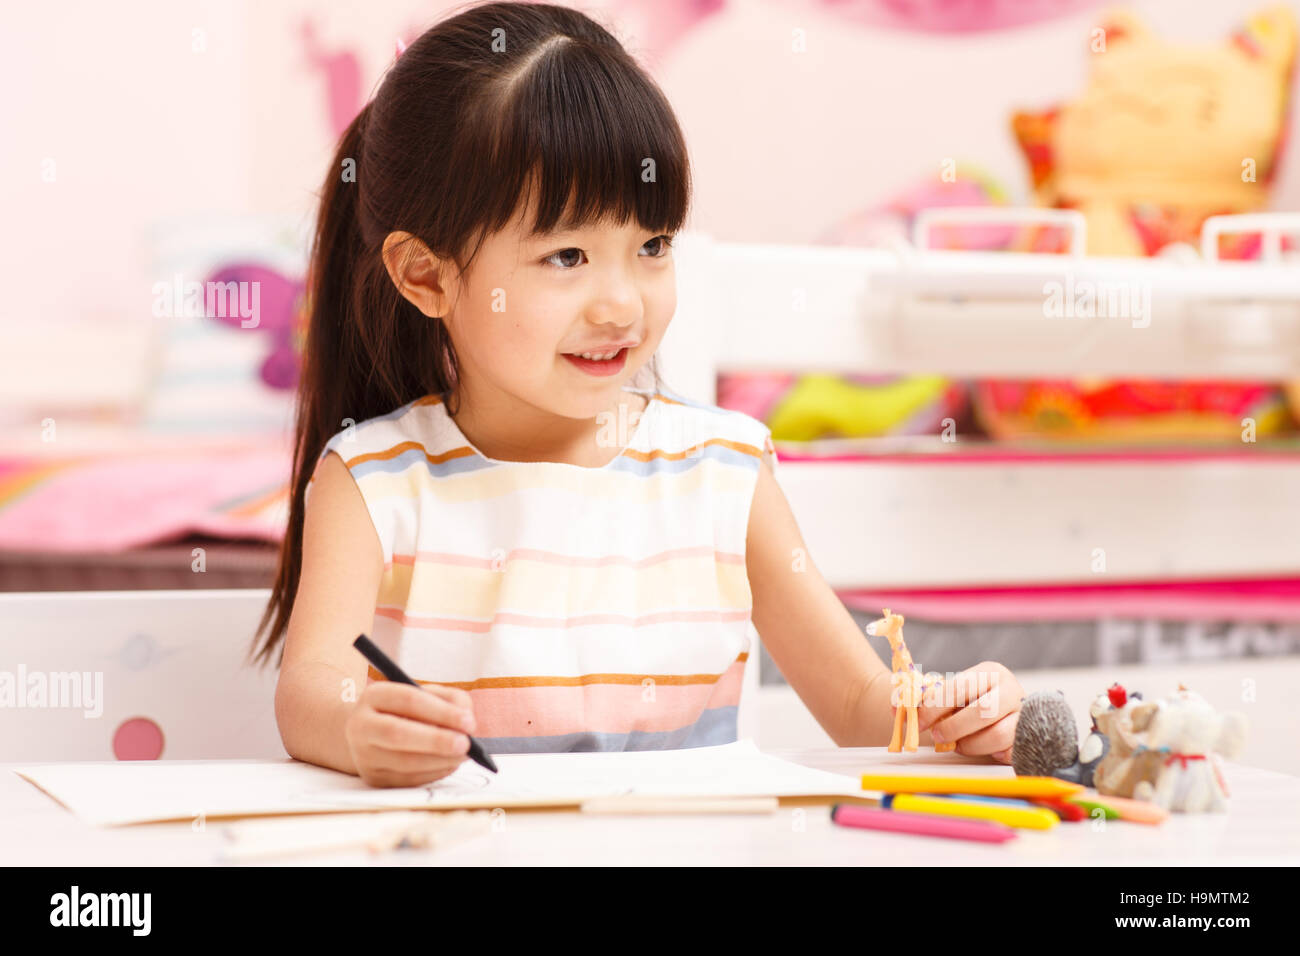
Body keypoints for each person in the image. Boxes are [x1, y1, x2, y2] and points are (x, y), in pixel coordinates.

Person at [254, 1, 1023, 786]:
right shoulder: (374, 480)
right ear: (426, 275)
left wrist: (947, 716)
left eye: (652, 245)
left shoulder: (725, 471)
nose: (621, 304)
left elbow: (863, 701)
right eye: (567, 256)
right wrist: (358, 727)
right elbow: (312, 689)